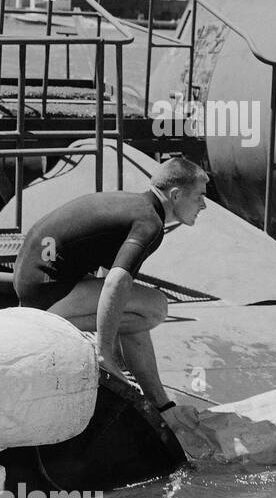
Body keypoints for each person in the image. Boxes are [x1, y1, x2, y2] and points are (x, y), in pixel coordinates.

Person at [12, 157, 208, 434]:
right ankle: (104, 356)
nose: (204, 205)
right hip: (45, 294)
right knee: (155, 307)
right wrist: (105, 353)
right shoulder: (149, 223)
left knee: (131, 310)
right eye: (200, 196)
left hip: (36, 284)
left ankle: (162, 406)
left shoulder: (133, 205)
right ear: (176, 195)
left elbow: (109, 279)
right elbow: (115, 282)